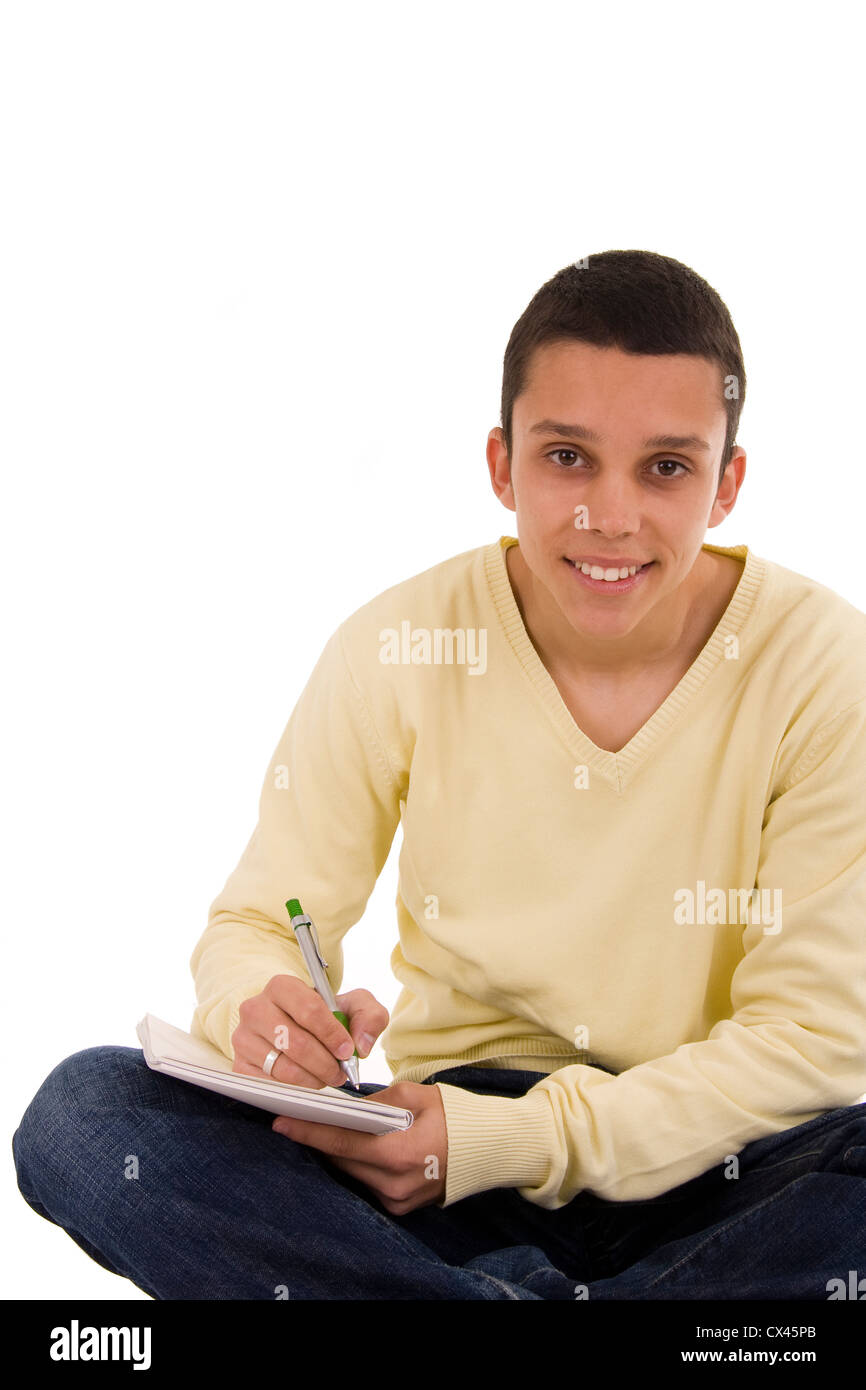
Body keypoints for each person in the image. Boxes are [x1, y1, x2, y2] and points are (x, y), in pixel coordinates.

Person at [13, 250, 866, 1300]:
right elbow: (259, 920)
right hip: (434, 1165)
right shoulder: (397, 643)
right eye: (566, 457)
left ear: (725, 483)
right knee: (86, 1115)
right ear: (501, 465)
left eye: (664, 467)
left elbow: (809, 1045)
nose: (608, 514)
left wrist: (513, 1138)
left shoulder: (826, 667)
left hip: (710, 1166)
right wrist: (262, 1015)